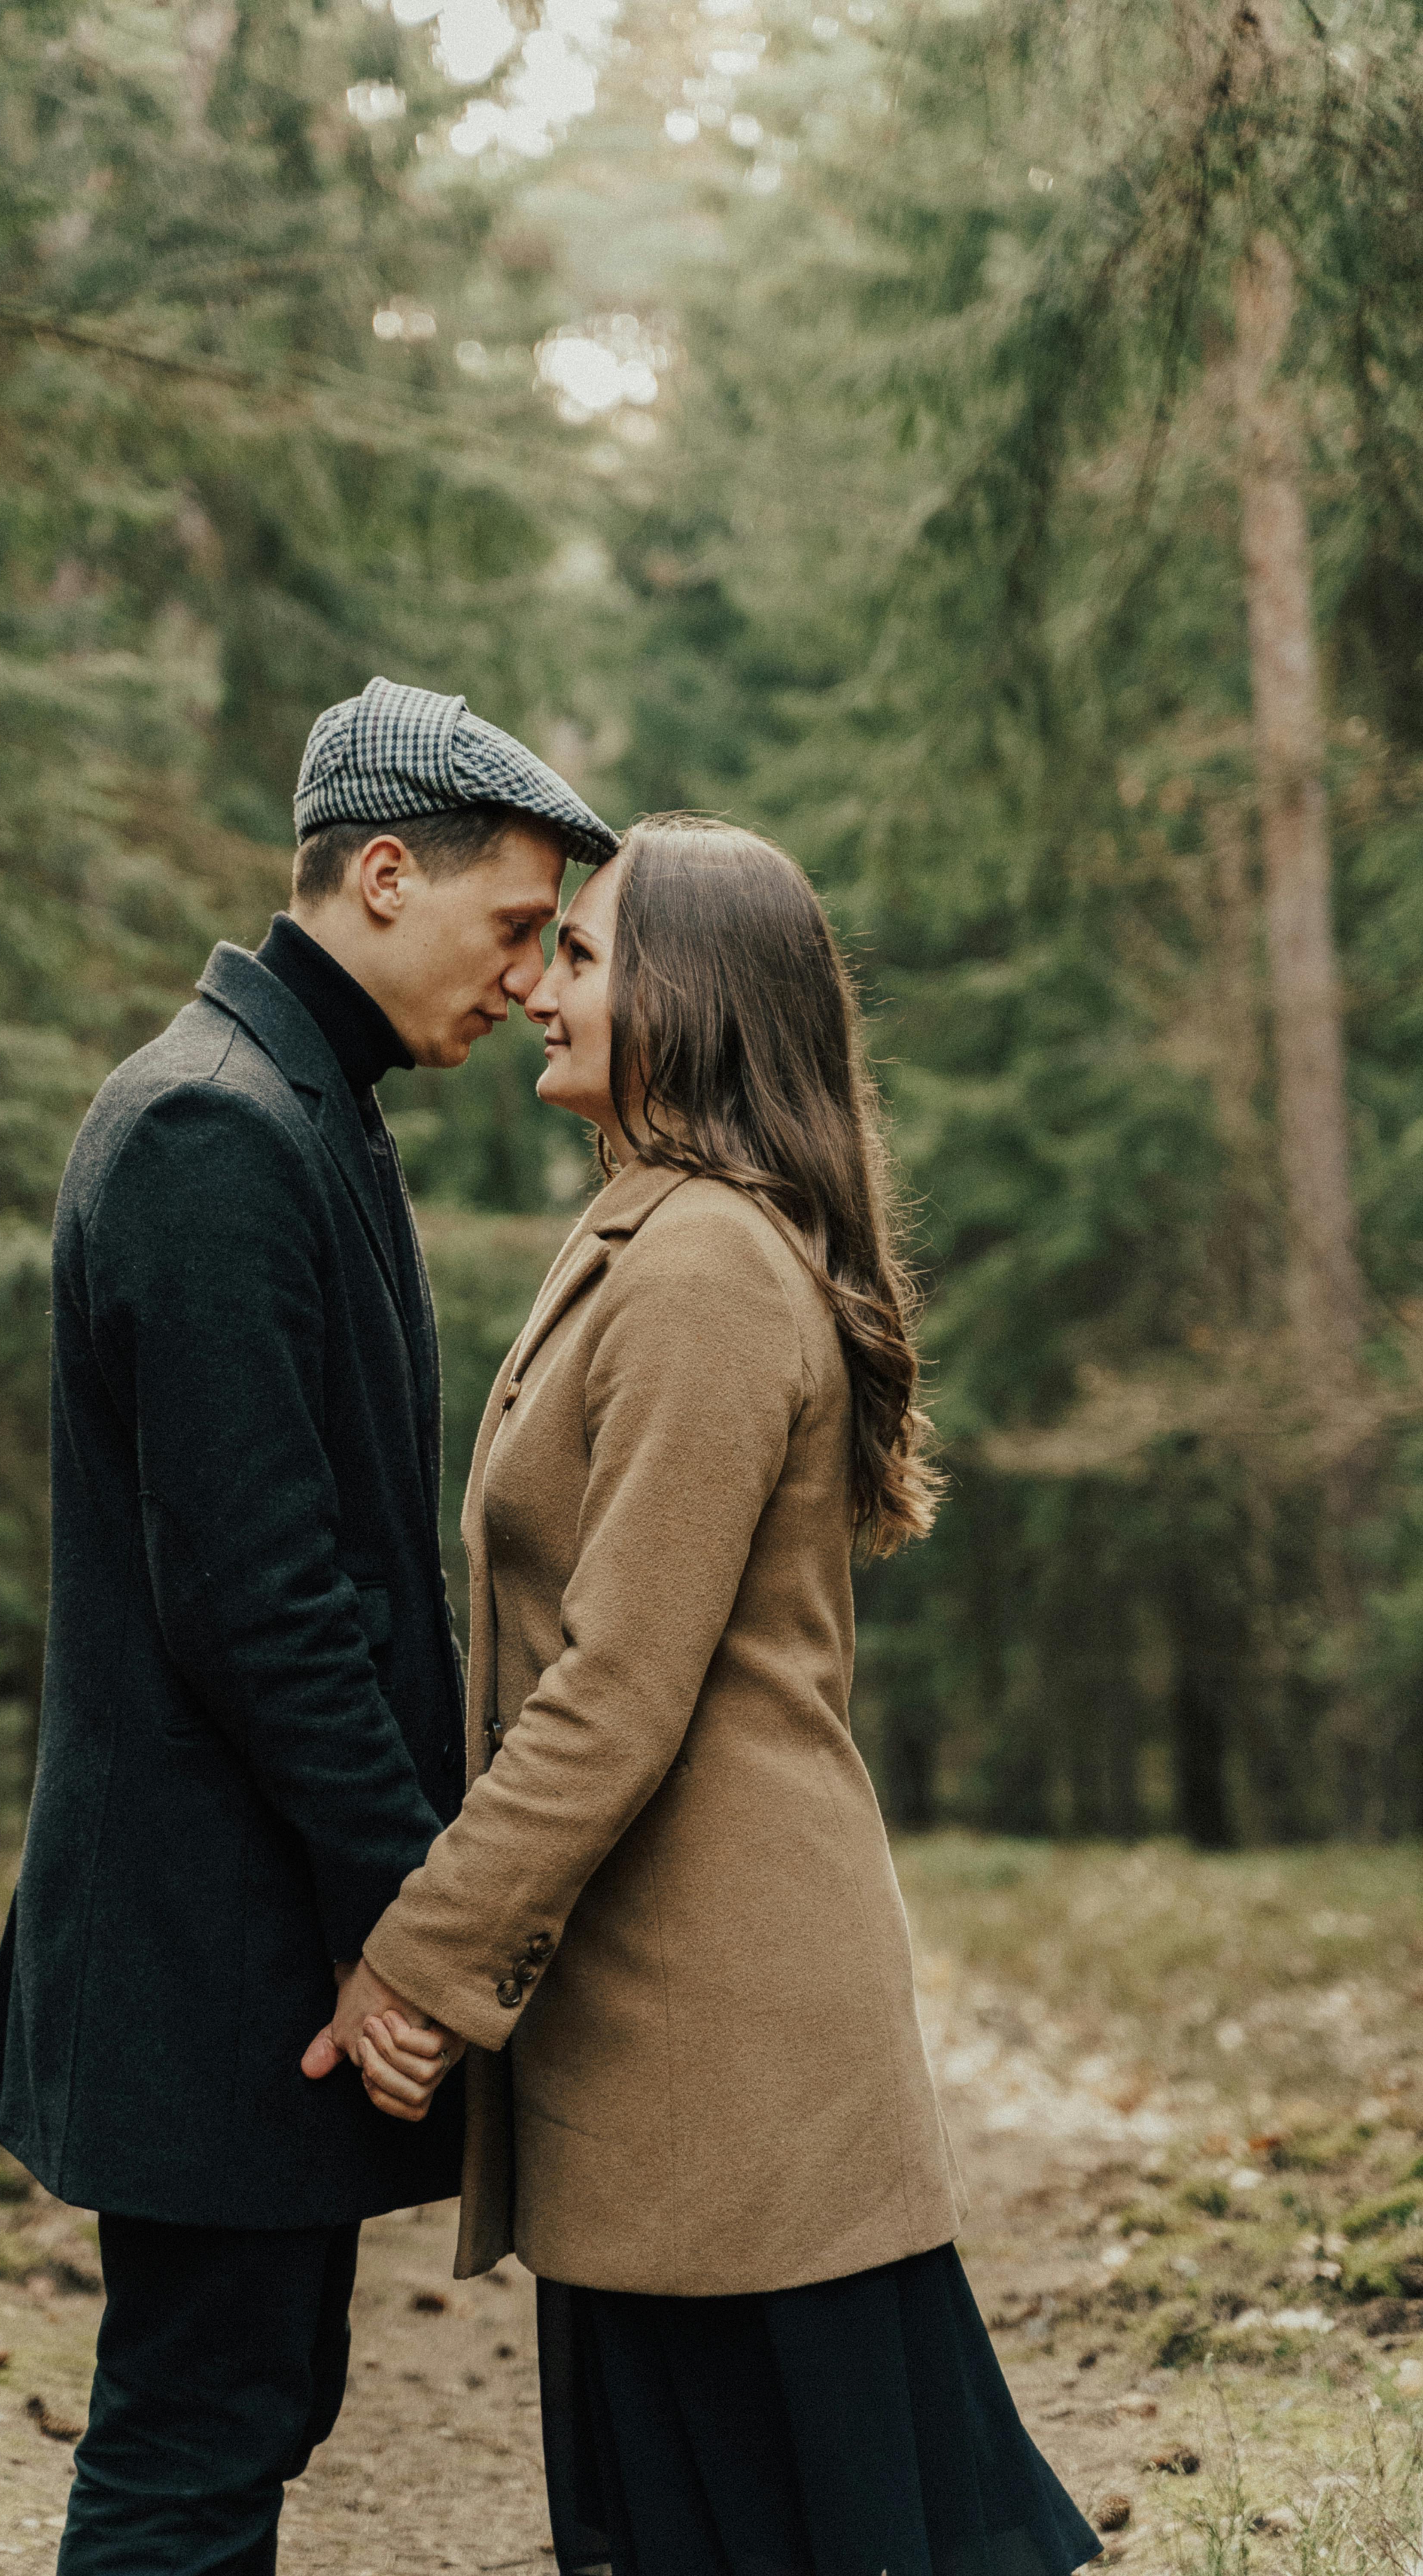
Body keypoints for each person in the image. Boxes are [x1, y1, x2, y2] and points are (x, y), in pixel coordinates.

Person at [309, 817, 1103, 2576]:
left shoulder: (704, 1268)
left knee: (810, 2526)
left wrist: (422, 1959)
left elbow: (614, 1692)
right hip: (660, 2014)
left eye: (584, 956)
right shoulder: (648, 1231)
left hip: (730, 2031)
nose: (539, 989)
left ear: (695, 998)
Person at [0, 676, 618, 2575]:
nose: (527, 979)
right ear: (384, 875)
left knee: (247, 2408)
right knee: (196, 2438)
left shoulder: (296, 1101)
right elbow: (265, 1604)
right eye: (515, 926)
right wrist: (410, 1926)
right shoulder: (210, 1129)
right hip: (211, 1940)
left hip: (244, 1930)